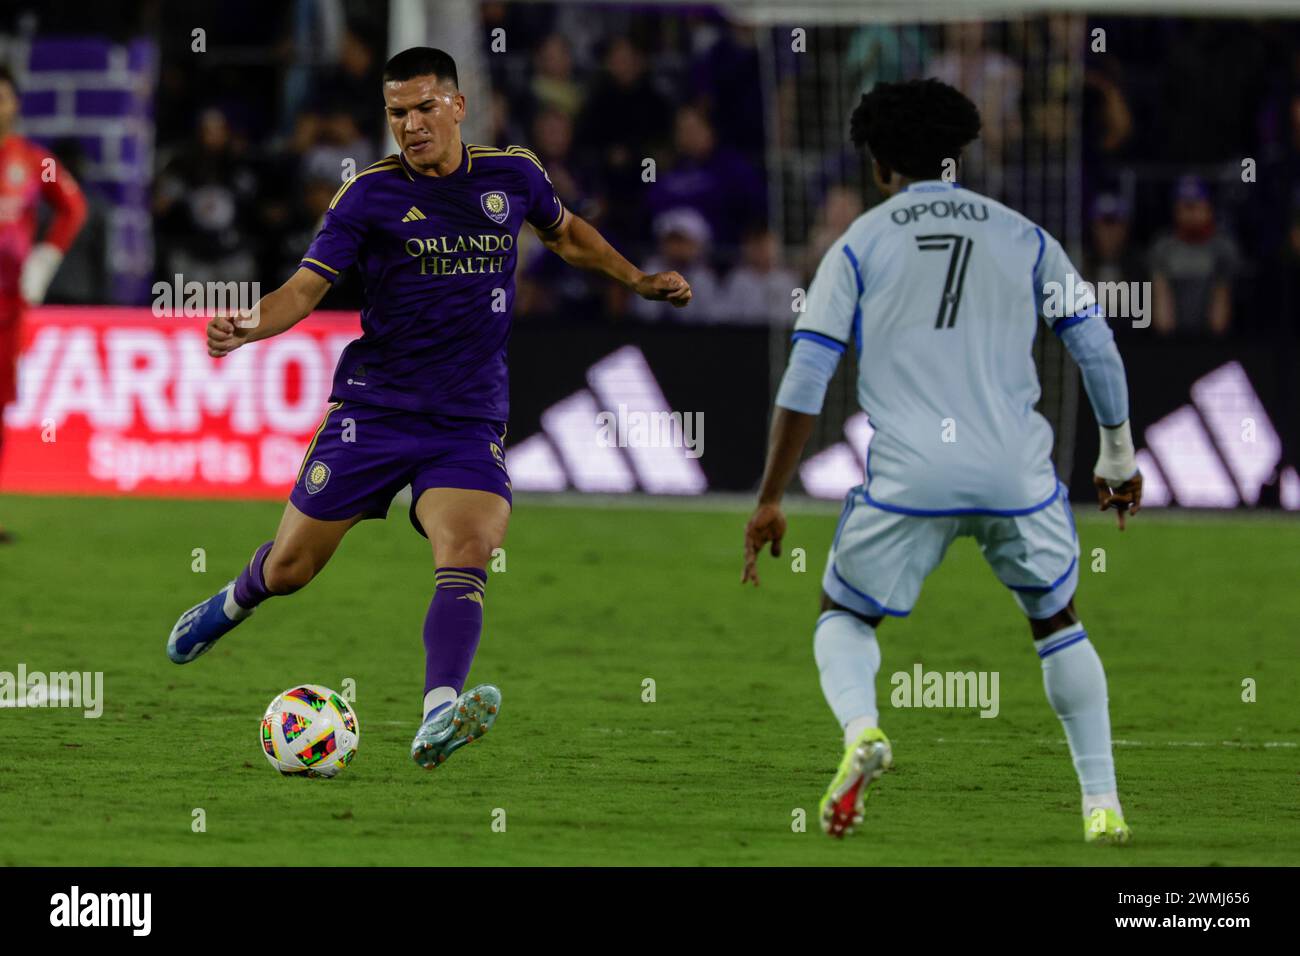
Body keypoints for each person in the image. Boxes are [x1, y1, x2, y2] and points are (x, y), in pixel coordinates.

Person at [165, 48, 692, 771]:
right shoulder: (367, 196)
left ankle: (438, 711)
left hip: (467, 417)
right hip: (372, 413)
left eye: (422, 109)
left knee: (469, 549)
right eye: (396, 114)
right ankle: (232, 600)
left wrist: (637, 278)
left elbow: (567, 234)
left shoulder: (514, 174)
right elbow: (304, 290)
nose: (410, 126)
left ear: (457, 106)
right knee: (290, 569)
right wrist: (246, 325)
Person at [741, 79, 1141, 844]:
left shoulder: (858, 242)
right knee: (1058, 622)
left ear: (880, 162)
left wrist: (770, 495)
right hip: (1015, 473)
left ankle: (862, 732)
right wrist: (1117, 460)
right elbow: (1095, 346)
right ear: (957, 152)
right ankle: (1102, 805)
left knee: (844, 614)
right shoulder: (1025, 236)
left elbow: (806, 377)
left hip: (912, 477)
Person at [0, 66, 87, 543]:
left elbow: (74, 208)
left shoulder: (33, 161)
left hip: (6, 308)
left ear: (14, 104)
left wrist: (44, 260)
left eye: (3, 97)